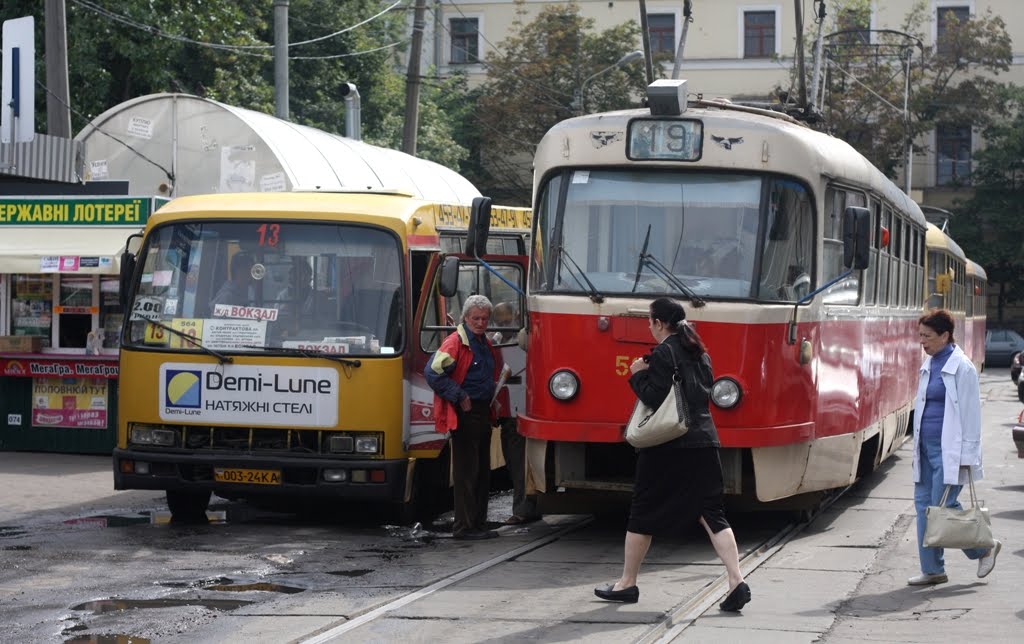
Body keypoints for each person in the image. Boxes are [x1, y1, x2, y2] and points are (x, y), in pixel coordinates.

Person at [594, 297, 749, 611]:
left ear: (659, 323)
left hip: (669, 444)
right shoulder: (699, 351)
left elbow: (654, 397)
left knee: (643, 510)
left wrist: (637, 373)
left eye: (650, 321)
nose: (649, 327)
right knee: (711, 511)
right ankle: (736, 580)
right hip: (705, 441)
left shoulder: (664, 352)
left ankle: (627, 583)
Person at [909, 309, 1001, 586]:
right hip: (924, 448)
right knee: (925, 508)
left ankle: (984, 548)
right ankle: (933, 570)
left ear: (945, 335)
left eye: (927, 336)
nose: (922, 342)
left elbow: (971, 416)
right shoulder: (929, 364)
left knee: (943, 507)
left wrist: (967, 457)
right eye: (920, 336)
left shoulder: (962, 368)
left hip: (949, 451)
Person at [424, 294, 506, 540]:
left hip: (482, 410)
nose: (481, 322)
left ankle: (477, 524)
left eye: (484, 318)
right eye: (476, 318)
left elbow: (483, 376)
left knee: (481, 471)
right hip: (466, 413)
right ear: (466, 318)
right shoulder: (455, 342)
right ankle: (465, 527)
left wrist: (495, 398)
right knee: (467, 473)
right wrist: (459, 396)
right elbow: (433, 372)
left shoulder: (482, 342)